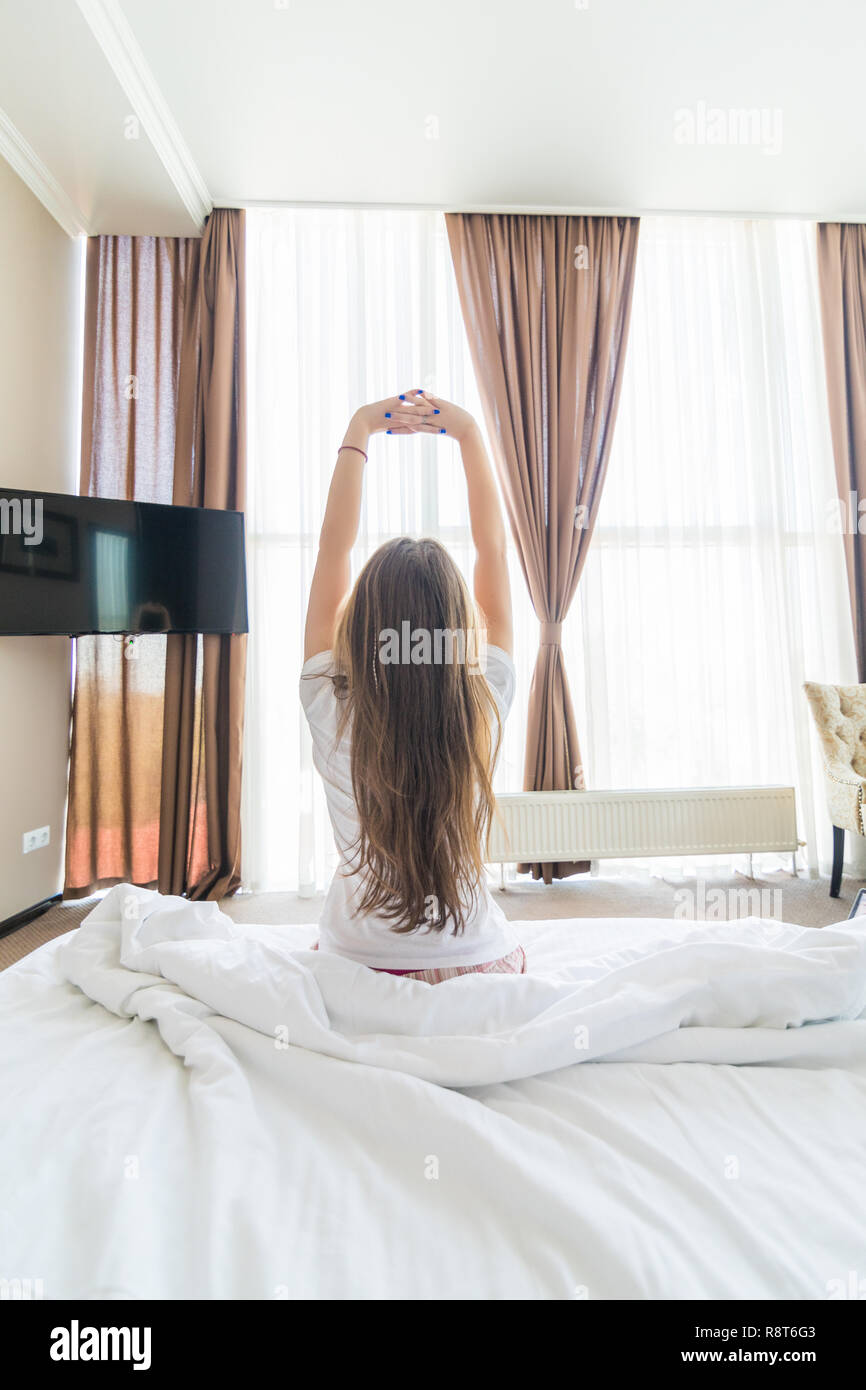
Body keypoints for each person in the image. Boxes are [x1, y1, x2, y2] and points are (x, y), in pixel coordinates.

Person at [300, 389, 524, 983]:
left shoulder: (329, 702)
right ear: (457, 625)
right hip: (470, 962)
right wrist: (470, 435)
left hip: (357, 965)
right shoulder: (485, 700)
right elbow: (493, 550)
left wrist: (362, 428)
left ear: (364, 621)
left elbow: (332, 548)